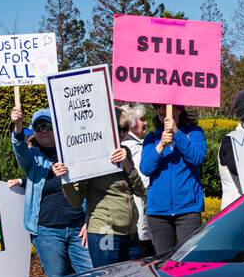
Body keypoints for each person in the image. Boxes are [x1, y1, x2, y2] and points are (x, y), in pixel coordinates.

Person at [10, 106, 90, 277]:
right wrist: (18, 126)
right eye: (38, 127)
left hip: (79, 228)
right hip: (47, 231)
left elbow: (90, 188)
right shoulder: (33, 157)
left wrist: (89, 220)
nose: (43, 131)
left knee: (91, 276)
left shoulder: (74, 153)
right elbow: (19, 148)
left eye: (47, 125)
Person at [62, 132, 145, 268]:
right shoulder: (91, 157)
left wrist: (127, 165)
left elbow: (140, 190)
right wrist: (66, 180)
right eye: (119, 128)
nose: (123, 132)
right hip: (106, 232)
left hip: (130, 233)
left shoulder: (125, 151)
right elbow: (76, 200)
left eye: (125, 128)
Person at [140, 104, 206, 253]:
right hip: (158, 215)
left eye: (165, 106)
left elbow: (197, 158)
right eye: (158, 108)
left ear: (179, 109)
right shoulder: (151, 138)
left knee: (189, 265)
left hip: (188, 212)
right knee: (164, 266)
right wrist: (161, 145)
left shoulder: (194, 133)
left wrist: (177, 133)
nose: (162, 111)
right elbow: (145, 168)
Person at [117, 104, 154, 260]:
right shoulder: (135, 147)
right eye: (141, 120)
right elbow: (143, 182)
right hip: (138, 208)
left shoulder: (124, 145)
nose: (144, 123)